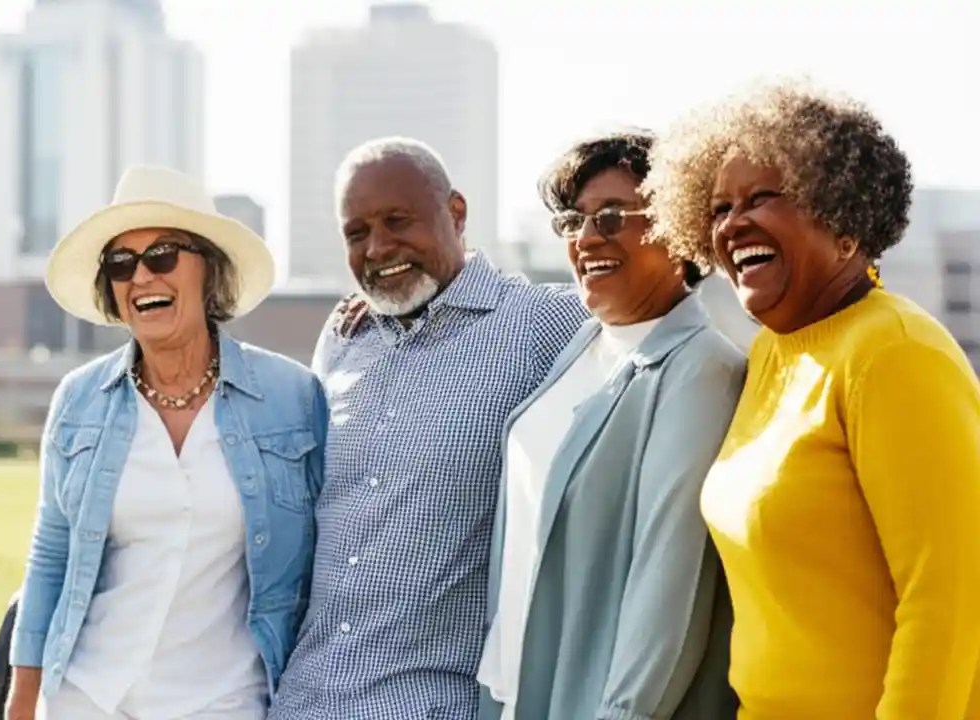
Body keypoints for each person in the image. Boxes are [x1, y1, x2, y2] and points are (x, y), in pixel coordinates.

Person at [644, 78, 980, 718]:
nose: (734, 223)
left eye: (762, 197)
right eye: (717, 208)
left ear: (844, 217)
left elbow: (952, 600)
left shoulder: (894, 352)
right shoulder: (772, 353)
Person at [266, 137, 588, 720]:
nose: (378, 247)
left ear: (456, 212)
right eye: (357, 233)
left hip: (426, 704)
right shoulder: (343, 340)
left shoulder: (545, 323)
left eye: (397, 221)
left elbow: (651, 315)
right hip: (300, 701)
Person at [5, 166, 328, 720]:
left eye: (163, 255)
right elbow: (51, 557)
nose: (142, 277)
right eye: (121, 264)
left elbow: (328, 558)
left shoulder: (293, 397)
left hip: (225, 702)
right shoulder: (79, 401)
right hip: (88, 695)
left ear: (209, 270)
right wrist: (23, 698)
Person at [477, 130, 743, 720]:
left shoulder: (701, 368)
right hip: (515, 695)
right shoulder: (584, 343)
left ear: (678, 231)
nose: (587, 237)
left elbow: (668, 582)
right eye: (573, 221)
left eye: (613, 216)